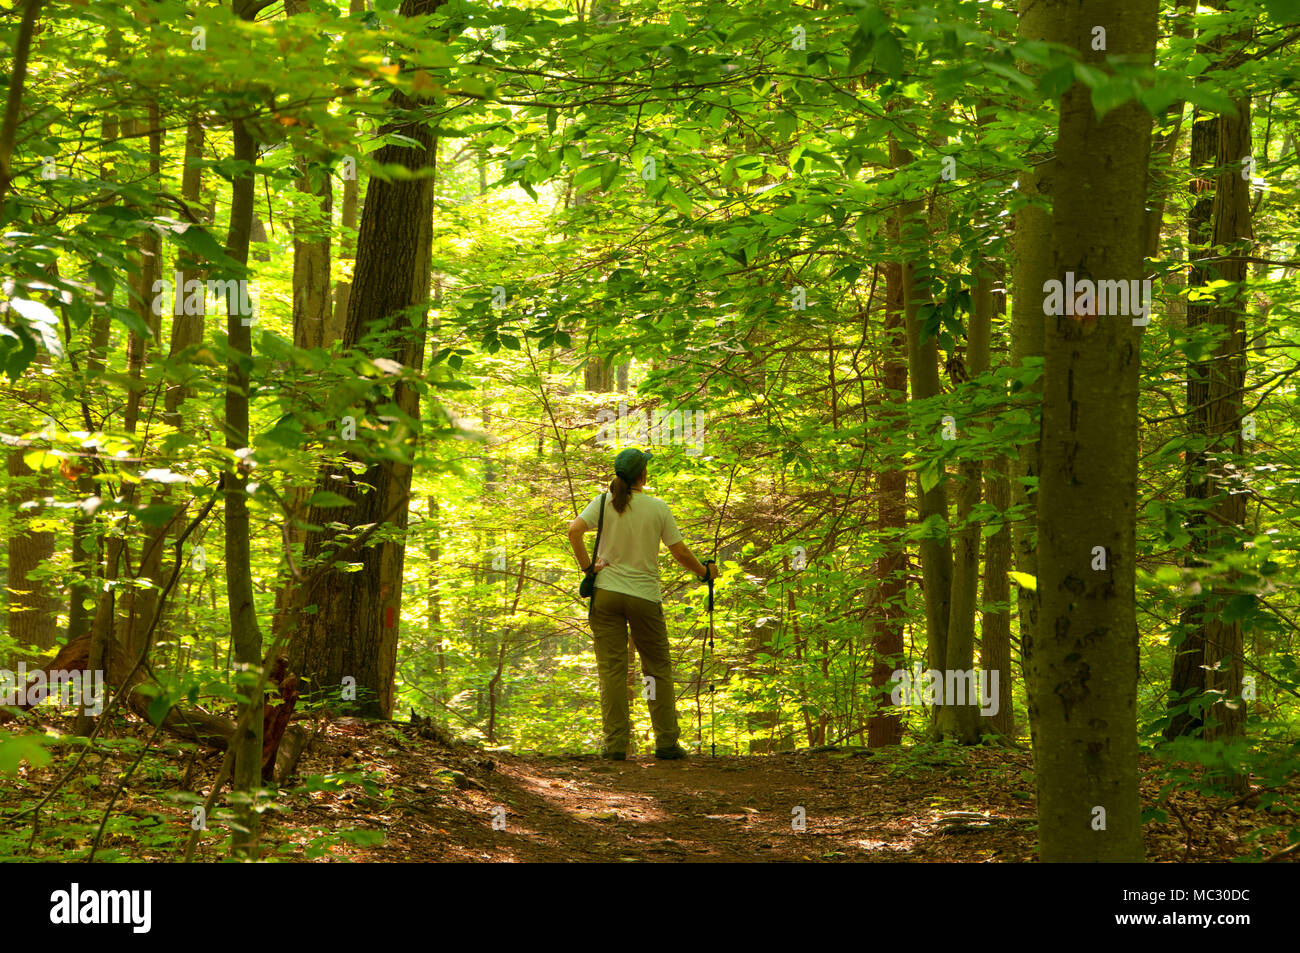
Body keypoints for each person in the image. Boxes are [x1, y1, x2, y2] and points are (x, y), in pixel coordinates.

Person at [566, 447, 719, 761]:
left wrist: (587, 568)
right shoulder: (657, 508)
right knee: (656, 669)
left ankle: (615, 746)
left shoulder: (602, 503)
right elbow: (679, 552)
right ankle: (665, 743)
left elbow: (574, 531)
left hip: (606, 594)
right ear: (642, 475)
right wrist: (704, 572)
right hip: (645, 598)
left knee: (612, 670)